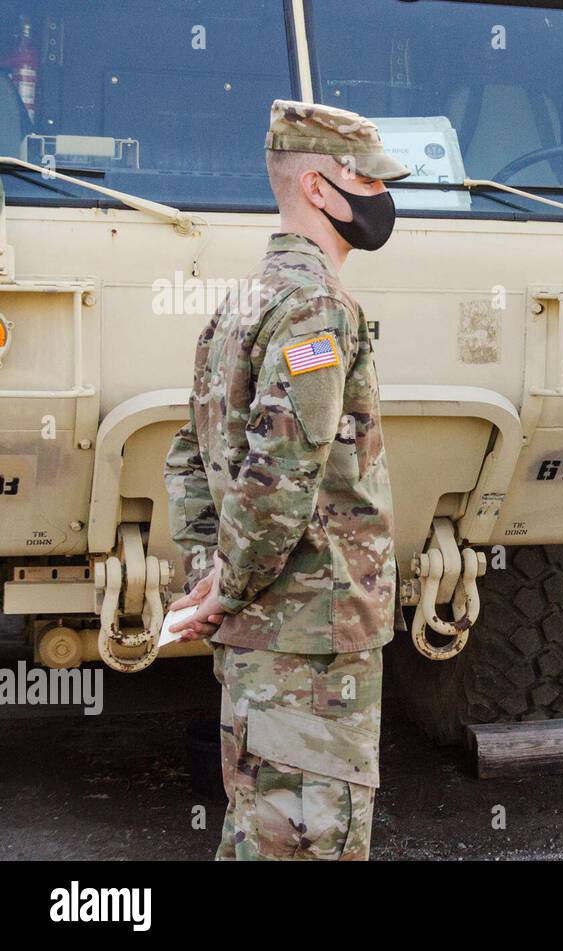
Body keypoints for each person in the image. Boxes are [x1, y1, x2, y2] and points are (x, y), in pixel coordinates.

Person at [162, 100, 409, 860]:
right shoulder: (316, 309)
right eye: (365, 179)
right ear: (316, 186)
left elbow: (189, 458)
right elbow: (280, 477)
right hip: (312, 645)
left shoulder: (242, 304)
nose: (379, 198)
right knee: (309, 840)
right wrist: (226, 589)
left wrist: (211, 583)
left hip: (262, 645)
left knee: (259, 834)